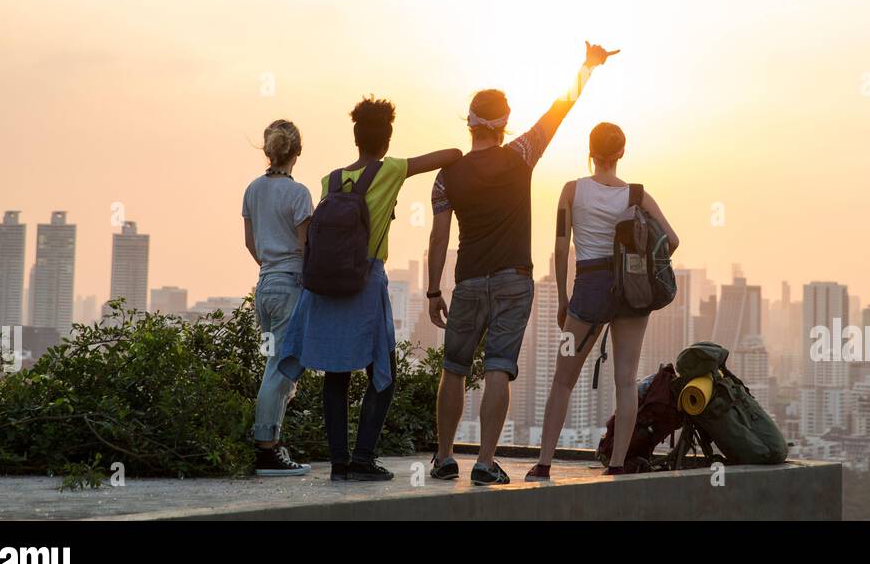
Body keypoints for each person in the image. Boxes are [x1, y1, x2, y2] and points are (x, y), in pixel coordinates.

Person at [428, 42, 618, 485]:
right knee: (499, 368)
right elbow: (561, 108)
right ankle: (485, 463)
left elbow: (438, 237)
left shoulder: (447, 176)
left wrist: (435, 290)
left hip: (468, 281)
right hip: (514, 279)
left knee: (453, 368)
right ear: (504, 124)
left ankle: (442, 457)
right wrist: (588, 66)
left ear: (469, 123)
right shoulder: (522, 153)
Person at [279, 98, 460, 481]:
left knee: (336, 374)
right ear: (387, 140)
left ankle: (339, 464)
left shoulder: (331, 179)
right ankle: (362, 459)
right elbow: (453, 153)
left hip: (326, 287)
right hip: (365, 281)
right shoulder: (390, 169)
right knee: (384, 372)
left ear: (356, 138)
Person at [525, 122, 679, 480]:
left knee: (563, 380)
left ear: (590, 151)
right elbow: (671, 240)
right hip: (632, 292)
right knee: (625, 382)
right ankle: (617, 465)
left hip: (588, 291)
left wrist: (563, 300)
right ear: (622, 153)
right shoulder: (637, 195)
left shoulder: (570, 191)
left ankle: (544, 464)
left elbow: (561, 247)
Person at [243, 119, 314, 476]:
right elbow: (306, 247)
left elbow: (250, 243)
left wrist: (271, 264)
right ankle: (266, 451)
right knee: (279, 369)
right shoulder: (298, 193)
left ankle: (271, 442)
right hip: (290, 287)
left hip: (265, 285)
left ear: (268, 150)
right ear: (296, 153)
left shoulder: (252, 190)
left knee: (275, 365)